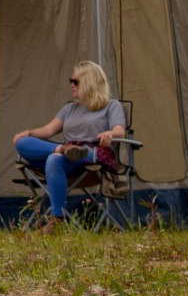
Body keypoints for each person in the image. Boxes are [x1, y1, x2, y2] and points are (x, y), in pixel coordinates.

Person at [12, 61, 126, 230]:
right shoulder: (69, 109)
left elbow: (120, 131)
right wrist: (29, 133)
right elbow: (47, 130)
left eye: (75, 82)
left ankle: (57, 219)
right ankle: (61, 149)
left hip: (90, 154)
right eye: (70, 81)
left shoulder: (110, 105)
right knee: (23, 143)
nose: (71, 85)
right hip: (67, 153)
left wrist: (110, 134)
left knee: (54, 159)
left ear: (90, 81)